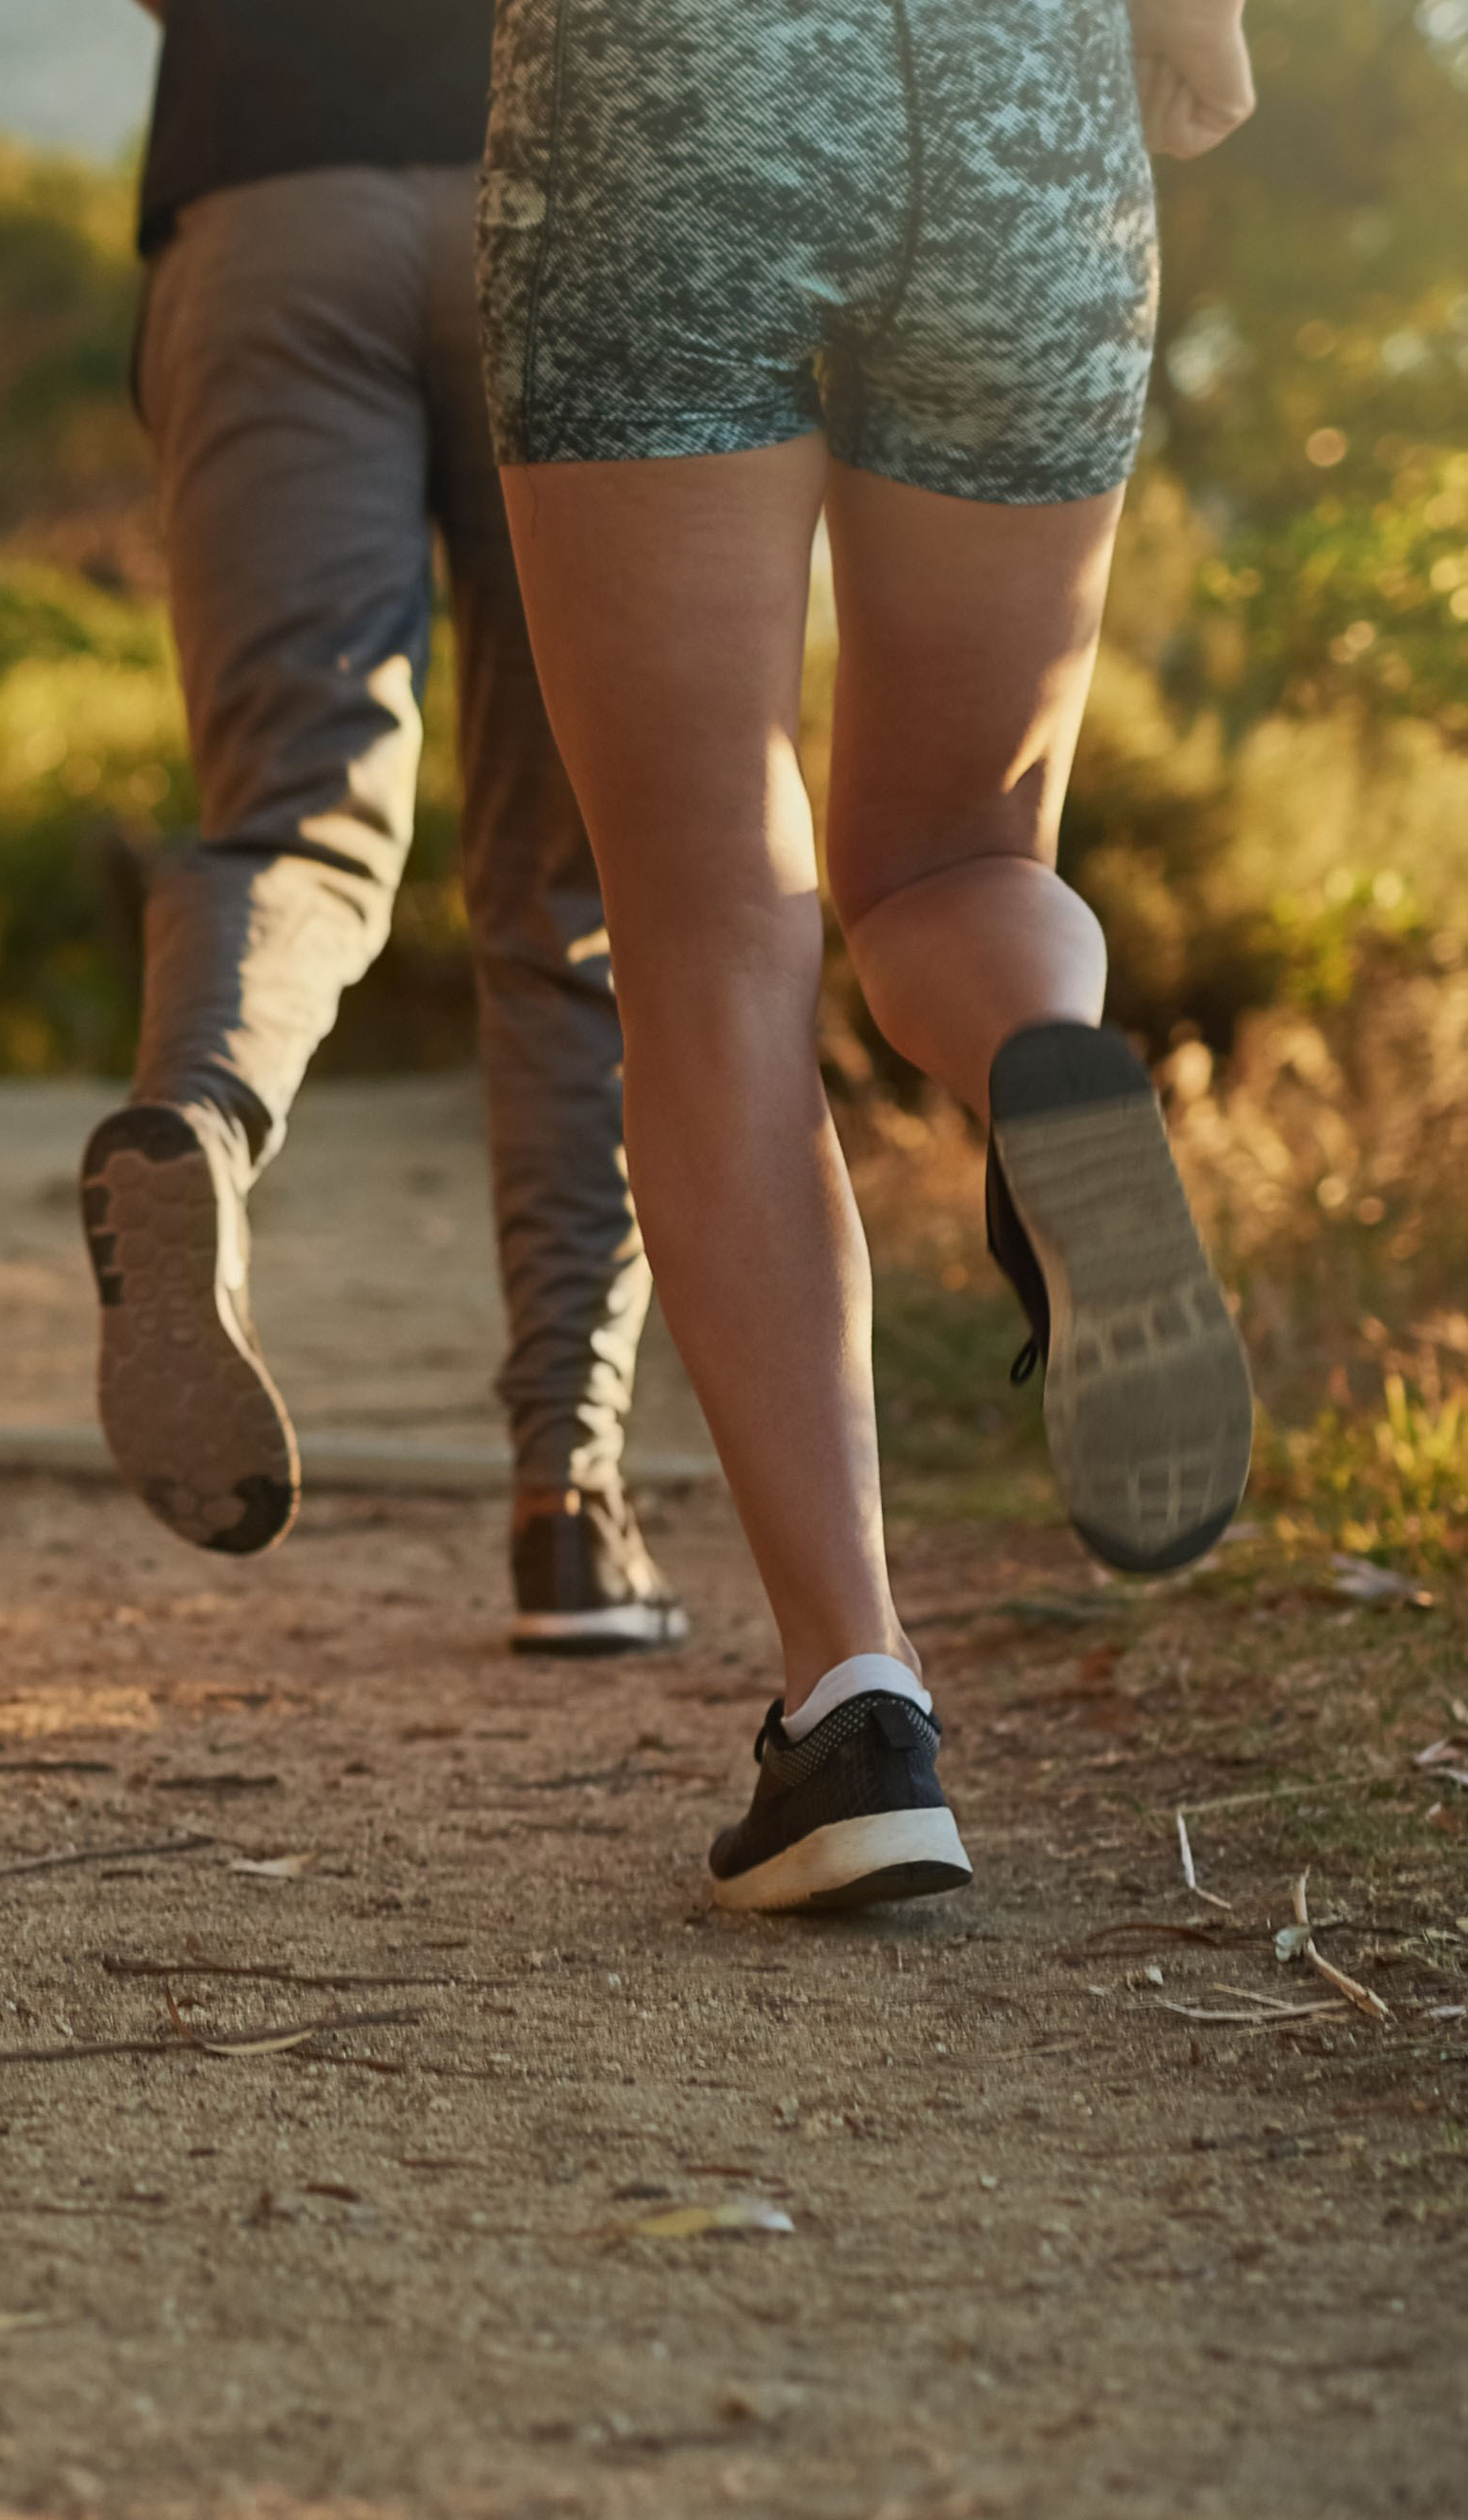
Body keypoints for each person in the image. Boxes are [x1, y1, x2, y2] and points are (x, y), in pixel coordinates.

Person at [477, 0, 1259, 1909]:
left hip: (669, 86)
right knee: (958, 855)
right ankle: (1043, 1062)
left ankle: (853, 1702)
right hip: (1027, 97)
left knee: (706, 918)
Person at [79, 0, 686, 1658]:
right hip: (579, 204)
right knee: (568, 882)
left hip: (268, 206)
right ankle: (569, 1497)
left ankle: (199, 1124)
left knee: (298, 813)